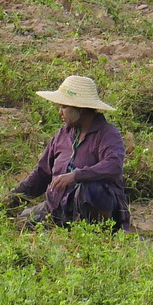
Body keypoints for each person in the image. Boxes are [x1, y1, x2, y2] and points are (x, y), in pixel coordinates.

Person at [10, 75, 130, 230]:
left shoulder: (107, 134)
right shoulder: (62, 135)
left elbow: (113, 166)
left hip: (99, 208)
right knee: (23, 221)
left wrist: (76, 176)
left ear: (80, 108)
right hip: (58, 208)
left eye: (64, 107)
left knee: (92, 188)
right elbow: (41, 174)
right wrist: (13, 198)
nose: (60, 112)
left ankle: (96, 233)